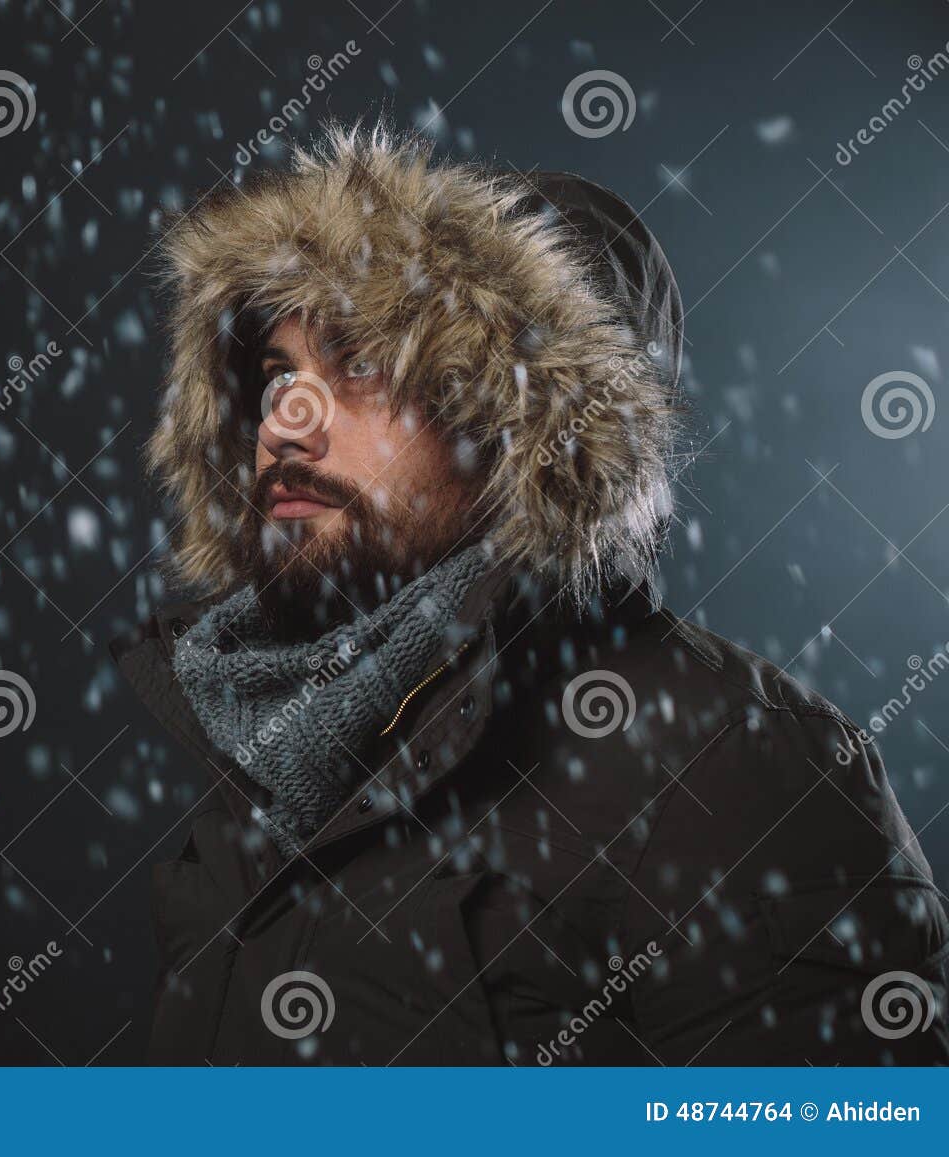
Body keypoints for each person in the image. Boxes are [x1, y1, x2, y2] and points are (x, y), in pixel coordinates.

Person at [110, 123, 949, 1065]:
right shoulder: (273, 741)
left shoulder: (732, 763)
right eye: (277, 375)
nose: (286, 424)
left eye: (364, 364)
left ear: (521, 427)